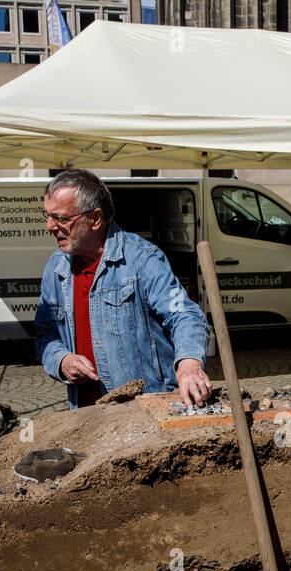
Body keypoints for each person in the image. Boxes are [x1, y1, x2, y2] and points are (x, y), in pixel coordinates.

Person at [34, 169, 211, 409]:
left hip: (143, 413)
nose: (49, 226)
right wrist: (62, 360)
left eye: (61, 218)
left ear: (95, 219)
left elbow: (183, 314)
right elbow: (46, 333)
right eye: (48, 216)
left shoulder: (142, 260)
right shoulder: (56, 268)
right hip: (85, 415)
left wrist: (189, 363)